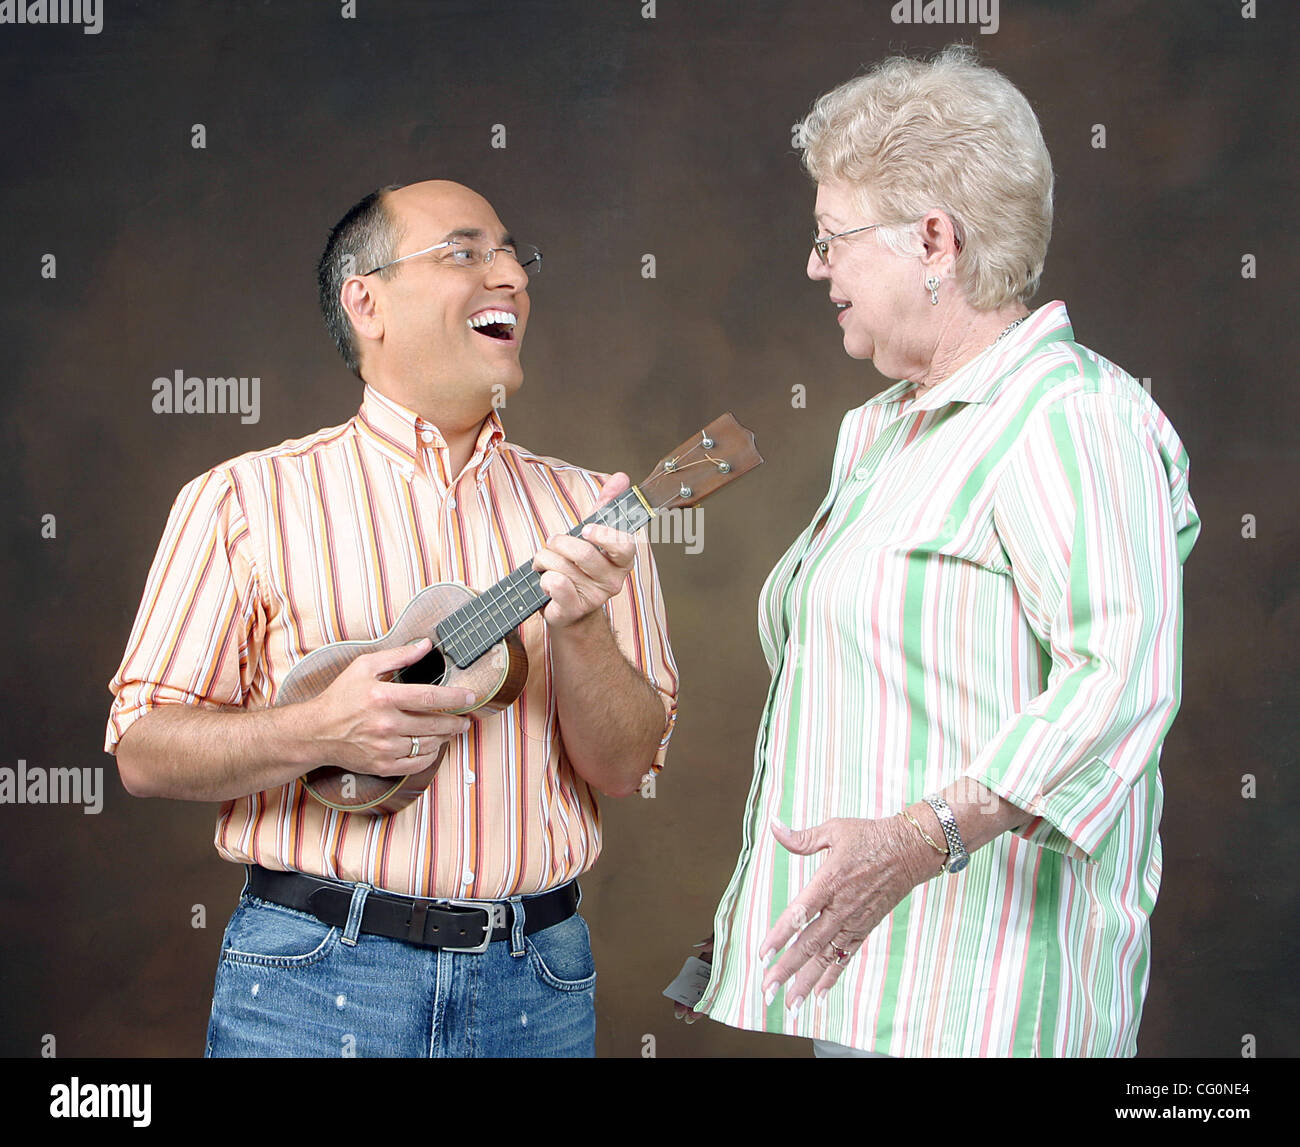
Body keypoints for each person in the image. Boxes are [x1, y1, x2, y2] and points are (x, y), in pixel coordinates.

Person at [684, 46, 1199, 1057]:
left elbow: (1120, 680)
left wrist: (922, 839)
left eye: (832, 236)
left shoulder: (1073, 413)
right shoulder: (883, 432)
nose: (812, 264)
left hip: (990, 1014)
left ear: (934, 239)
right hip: (871, 1001)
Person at [106, 180, 679, 1058]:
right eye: (465, 252)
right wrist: (317, 728)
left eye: (512, 256)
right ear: (365, 301)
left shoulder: (590, 512)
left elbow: (625, 762)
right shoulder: (243, 499)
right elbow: (143, 747)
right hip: (313, 977)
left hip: (539, 980)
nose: (511, 277)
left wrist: (582, 627)